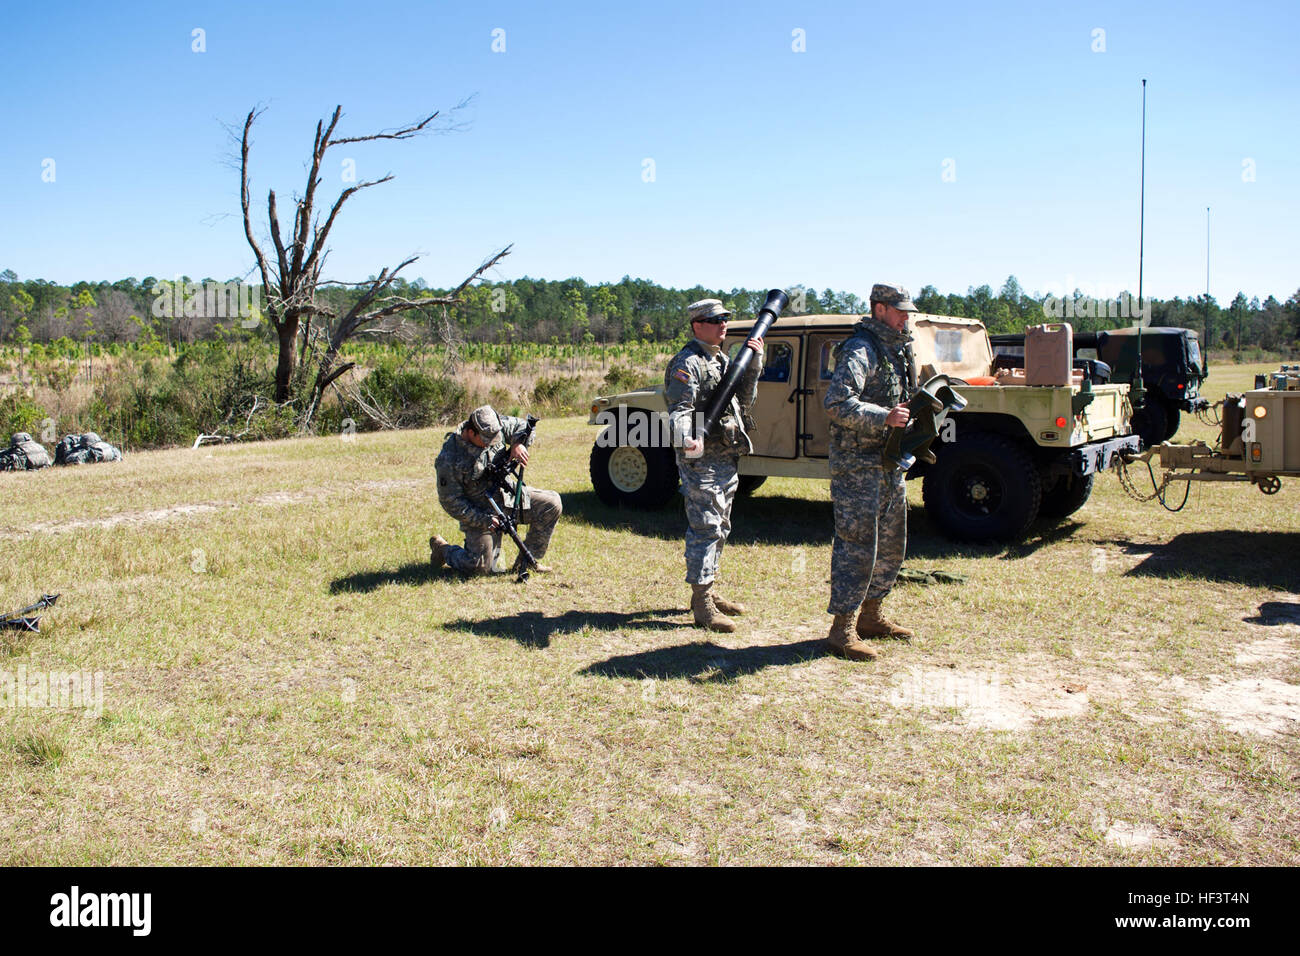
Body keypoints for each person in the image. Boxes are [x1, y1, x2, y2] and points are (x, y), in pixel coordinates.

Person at [822, 283, 919, 661]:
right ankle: (841, 629)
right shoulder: (860, 349)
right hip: (857, 466)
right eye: (899, 310)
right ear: (879, 309)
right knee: (857, 545)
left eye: (907, 311)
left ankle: (872, 616)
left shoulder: (895, 350)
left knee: (892, 542)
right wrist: (885, 416)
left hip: (888, 462)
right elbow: (837, 402)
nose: (905, 317)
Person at [664, 298, 764, 632]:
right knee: (706, 526)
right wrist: (686, 437)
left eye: (726, 318)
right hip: (700, 458)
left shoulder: (721, 360)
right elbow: (678, 409)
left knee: (721, 526)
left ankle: (710, 587)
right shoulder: (687, 362)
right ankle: (702, 602)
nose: (724, 324)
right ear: (697, 325)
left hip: (724, 454)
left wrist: (754, 362)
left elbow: (744, 401)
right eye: (716, 319)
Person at [430, 405, 562, 575]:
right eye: (485, 440)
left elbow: (522, 427)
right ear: (471, 433)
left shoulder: (493, 425)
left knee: (552, 504)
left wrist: (517, 444)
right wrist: (484, 520)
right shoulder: (448, 458)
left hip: (508, 498)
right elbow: (451, 502)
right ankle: (443, 550)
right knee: (480, 567)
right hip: (482, 512)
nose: (490, 443)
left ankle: (525, 563)